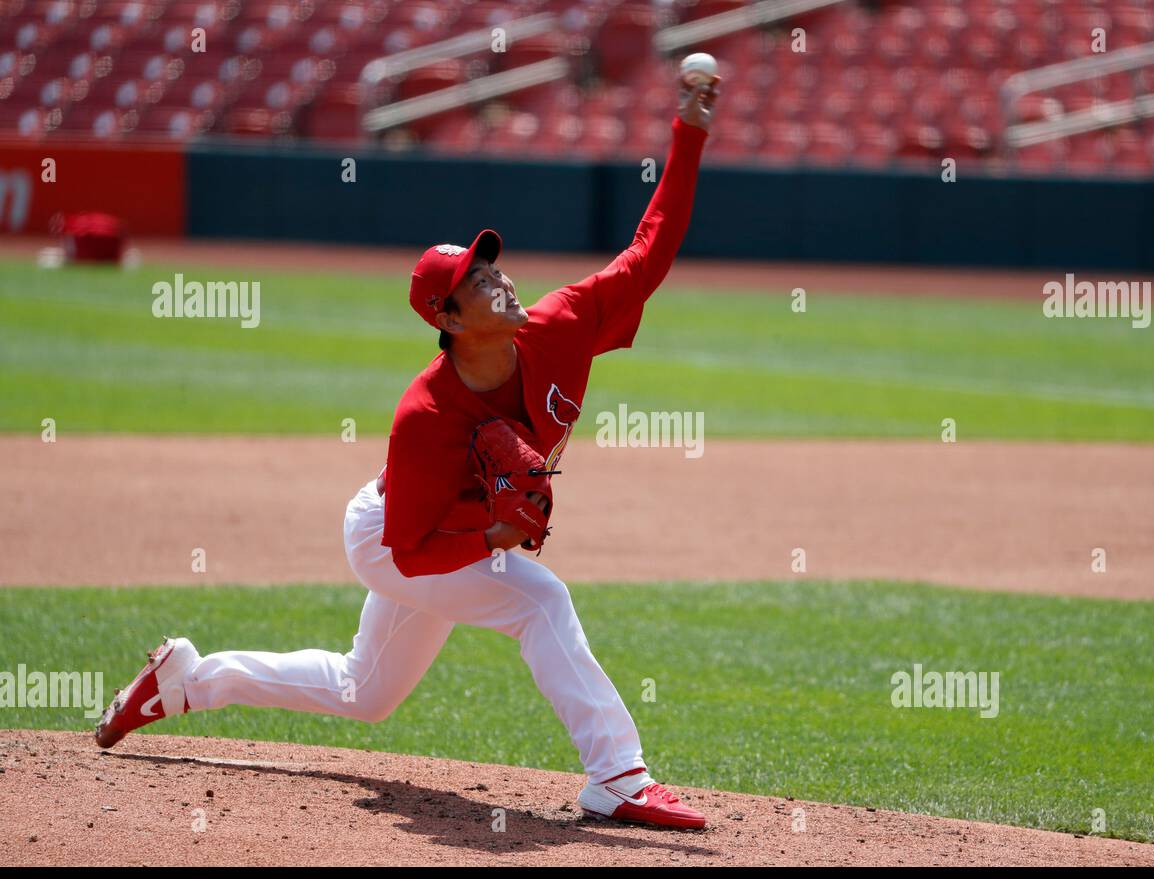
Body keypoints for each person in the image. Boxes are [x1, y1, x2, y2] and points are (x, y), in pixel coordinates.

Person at [94, 74, 722, 830]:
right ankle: (617, 776)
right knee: (539, 600)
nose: (501, 281)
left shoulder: (561, 324)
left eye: (494, 269)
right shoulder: (425, 416)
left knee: (367, 693)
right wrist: (496, 536)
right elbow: (413, 553)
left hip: (430, 535)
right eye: (480, 282)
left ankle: (190, 680)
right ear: (449, 319)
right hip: (394, 536)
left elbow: (649, 253)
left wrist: (688, 134)